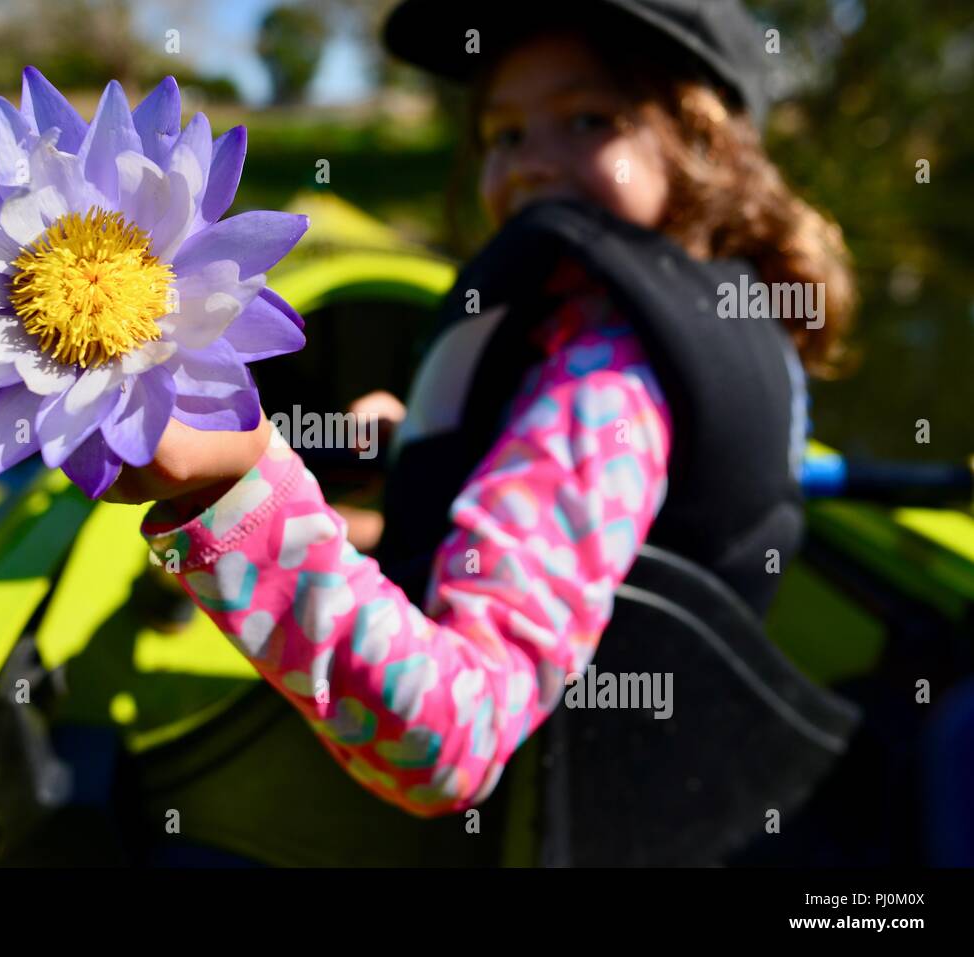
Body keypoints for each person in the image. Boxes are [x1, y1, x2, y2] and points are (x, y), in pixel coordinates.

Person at [102, 0, 857, 821]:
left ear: (705, 143)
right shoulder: (713, 318)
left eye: (588, 119)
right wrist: (425, 457)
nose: (532, 163)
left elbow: (455, 739)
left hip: (540, 815)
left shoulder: (607, 384)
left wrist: (239, 496)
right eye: (504, 135)